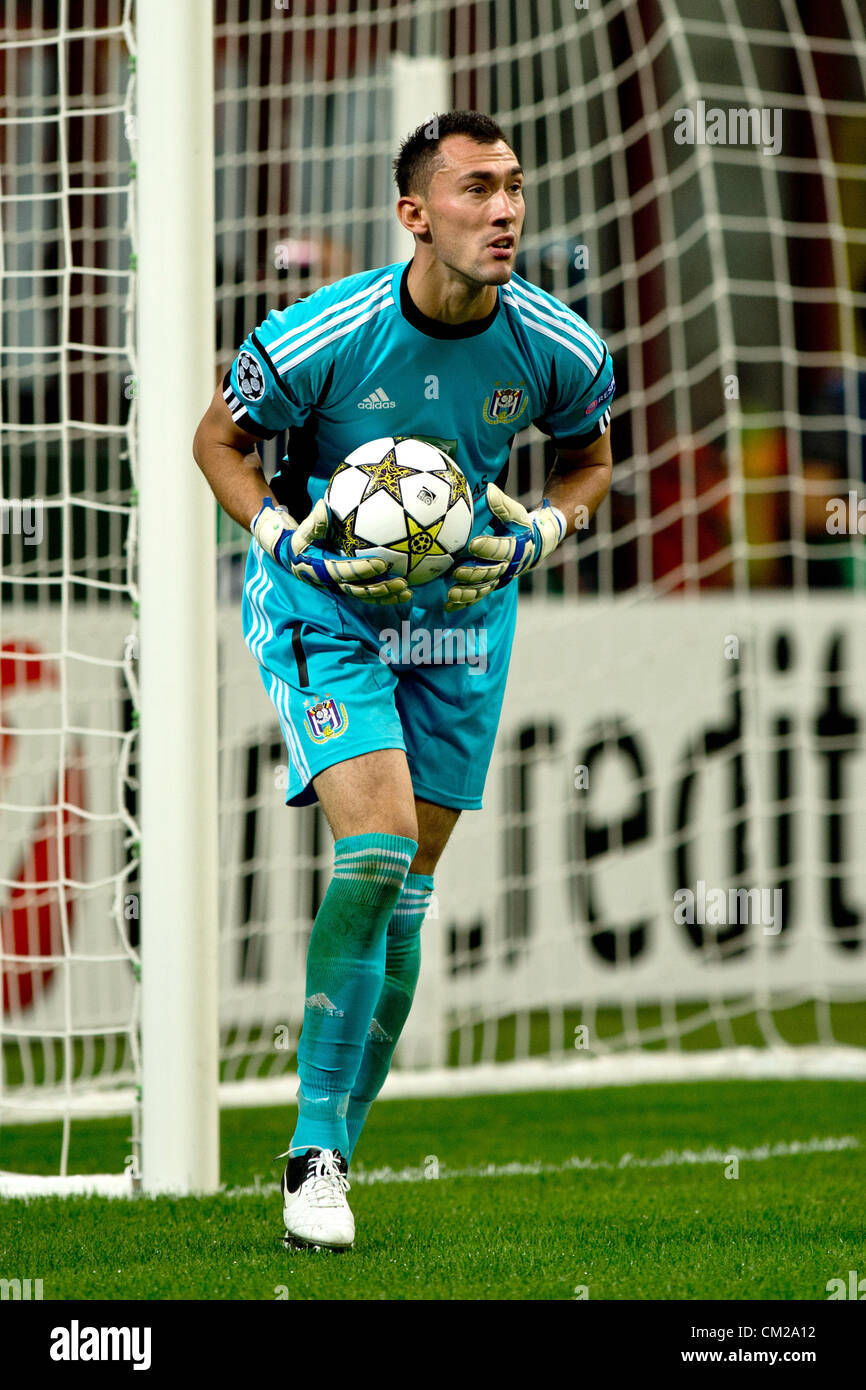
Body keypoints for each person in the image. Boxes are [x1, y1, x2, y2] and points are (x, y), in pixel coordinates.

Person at [193, 110, 615, 1251]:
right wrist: (281, 537)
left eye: (514, 187)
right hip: (327, 603)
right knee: (371, 849)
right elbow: (216, 444)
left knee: (409, 887)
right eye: (476, 189)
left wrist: (542, 533)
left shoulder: (558, 347)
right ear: (414, 213)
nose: (506, 210)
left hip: (463, 617)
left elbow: (586, 460)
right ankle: (312, 1154)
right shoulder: (316, 334)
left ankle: (341, 1143)